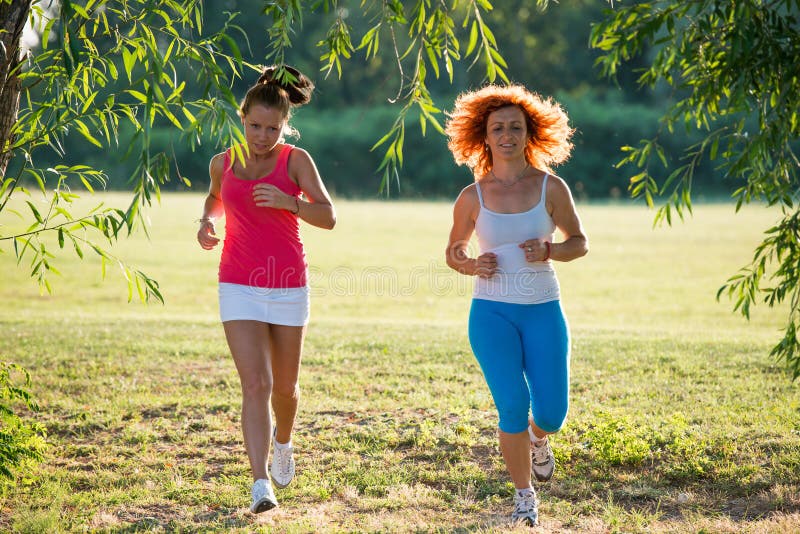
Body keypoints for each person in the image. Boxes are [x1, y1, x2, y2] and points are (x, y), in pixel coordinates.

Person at [444, 84, 588, 527]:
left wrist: (550, 251)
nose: (506, 134)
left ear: (529, 133)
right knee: (511, 404)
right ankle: (524, 497)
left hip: (543, 308)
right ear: (483, 136)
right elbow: (453, 251)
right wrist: (471, 265)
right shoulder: (473, 196)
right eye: (497, 127)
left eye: (515, 127)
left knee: (551, 412)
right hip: (491, 314)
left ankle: (538, 438)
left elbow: (578, 243)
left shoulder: (551, 187)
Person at [196, 65, 336, 514]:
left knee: (285, 390)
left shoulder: (295, 160)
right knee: (255, 384)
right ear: (242, 119)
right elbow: (216, 198)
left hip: (288, 283)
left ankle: (284, 441)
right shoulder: (224, 162)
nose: (262, 135)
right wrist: (206, 223)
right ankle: (260, 485)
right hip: (237, 281)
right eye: (255, 126)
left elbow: (328, 215)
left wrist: (289, 202)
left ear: (285, 125)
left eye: (272, 128)